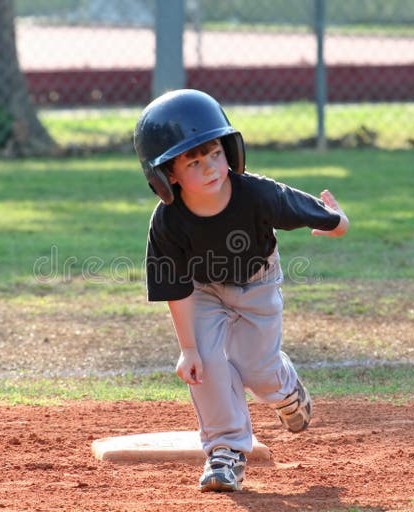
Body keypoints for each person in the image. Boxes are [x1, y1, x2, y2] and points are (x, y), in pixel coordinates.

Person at [133, 89, 349, 492]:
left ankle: (284, 389)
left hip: (257, 282)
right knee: (207, 365)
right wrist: (190, 349)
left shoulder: (256, 194)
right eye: (193, 162)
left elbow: (309, 210)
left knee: (257, 370)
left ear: (230, 149)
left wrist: (337, 222)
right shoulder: (167, 222)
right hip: (201, 291)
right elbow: (176, 288)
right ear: (167, 176)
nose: (211, 167)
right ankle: (225, 452)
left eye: (215, 153)